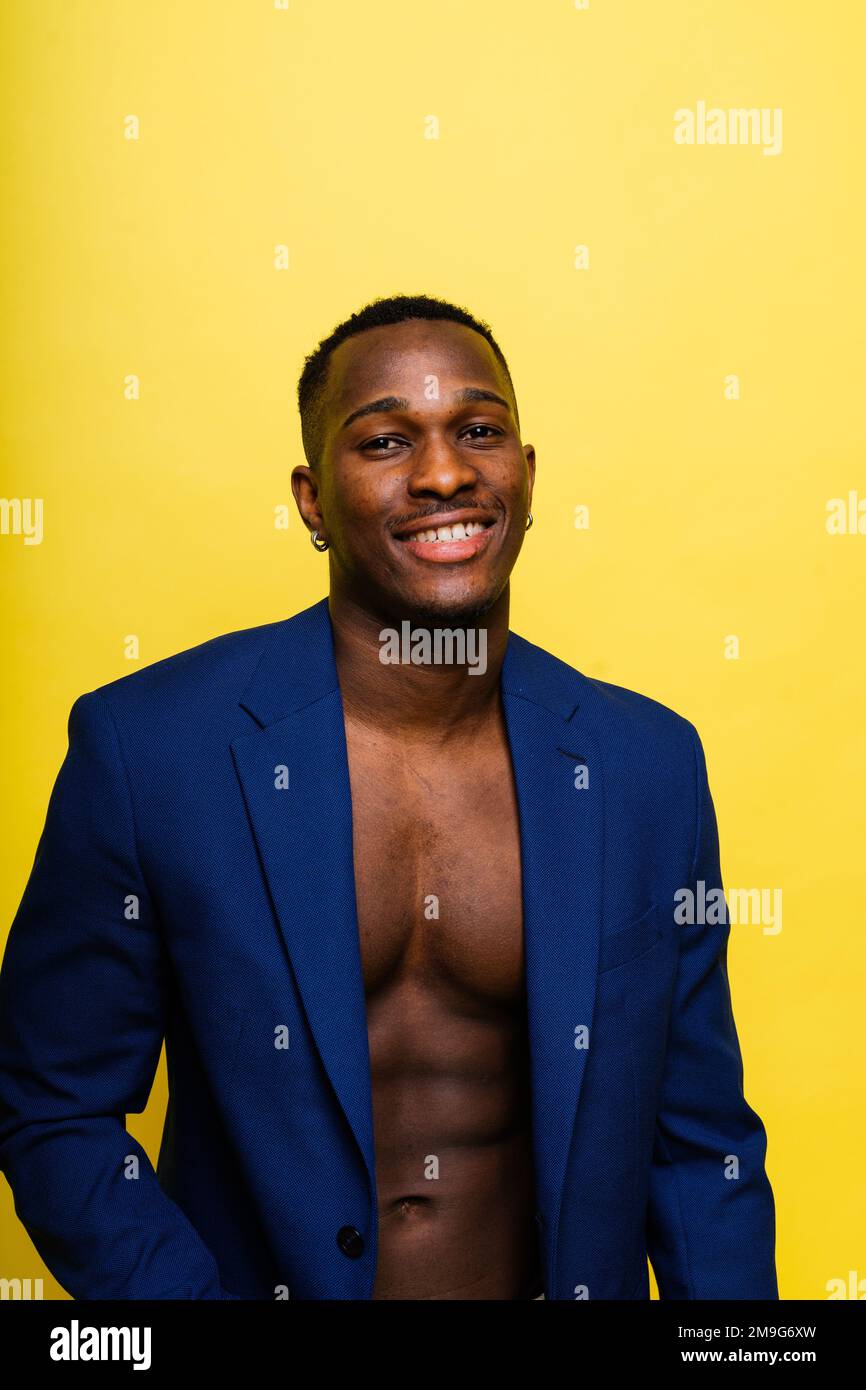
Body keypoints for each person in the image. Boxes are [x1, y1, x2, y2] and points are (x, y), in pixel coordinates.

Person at [0, 294, 777, 1300]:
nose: (443, 473)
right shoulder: (150, 751)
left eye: (478, 431)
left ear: (527, 475)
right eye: (383, 441)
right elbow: (53, 1105)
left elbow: (701, 1147)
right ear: (312, 500)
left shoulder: (646, 767)